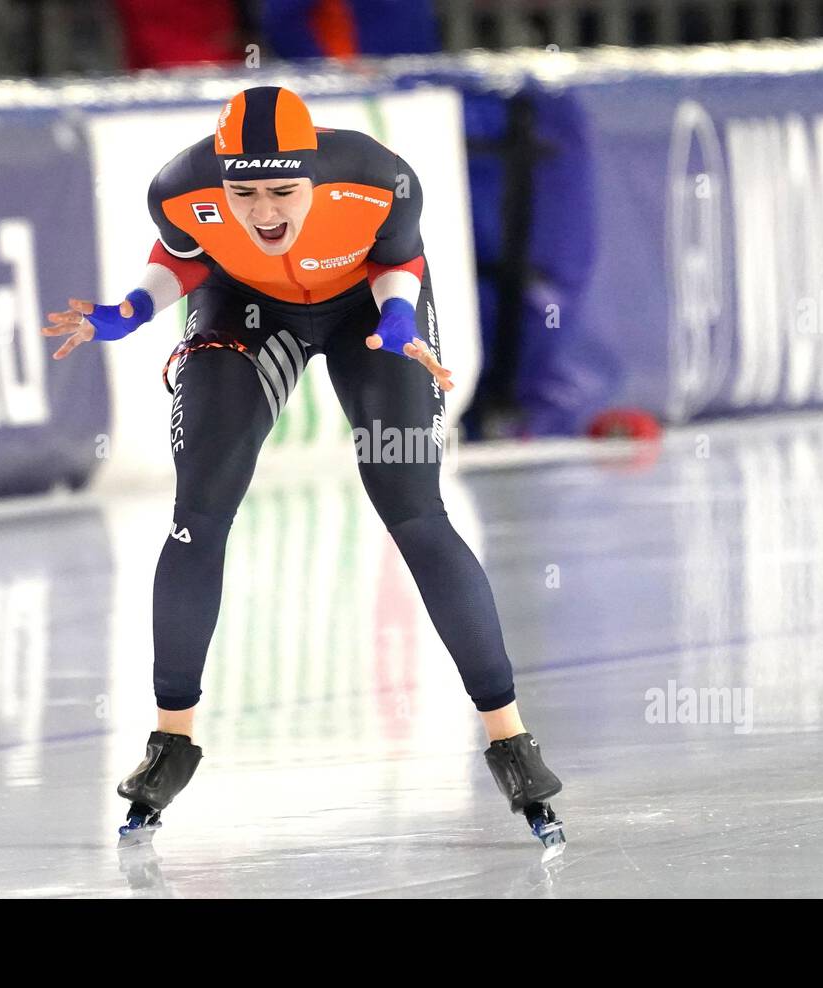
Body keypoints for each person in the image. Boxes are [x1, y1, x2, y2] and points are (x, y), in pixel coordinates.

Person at [42, 86, 565, 850]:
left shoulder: (378, 176)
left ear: (315, 173)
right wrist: (125, 313)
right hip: (245, 314)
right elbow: (180, 260)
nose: (262, 211)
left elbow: (401, 264)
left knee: (415, 513)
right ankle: (171, 742)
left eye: (283, 190)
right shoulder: (180, 186)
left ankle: (510, 741)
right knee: (198, 518)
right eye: (244, 191)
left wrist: (395, 318)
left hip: (370, 315)